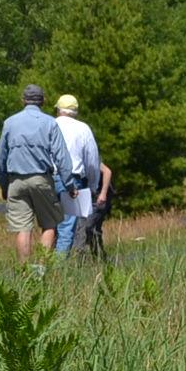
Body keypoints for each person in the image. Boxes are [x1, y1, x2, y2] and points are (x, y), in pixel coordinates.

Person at [0, 84, 71, 262]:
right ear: (43, 101)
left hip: (16, 181)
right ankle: (41, 270)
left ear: (23, 100)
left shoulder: (10, 122)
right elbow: (62, 157)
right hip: (41, 179)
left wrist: (4, 185)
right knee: (49, 224)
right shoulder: (50, 123)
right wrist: (69, 184)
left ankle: (25, 271)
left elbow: (1, 158)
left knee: (23, 227)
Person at [52, 94, 106, 256]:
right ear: (75, 111)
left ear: (58, 109)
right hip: (73, 180)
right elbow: (92, 161)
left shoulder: (50, 124)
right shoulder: (83, 128)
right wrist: (93, 185)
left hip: (47, 178)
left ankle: (44, 264)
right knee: (67, 227)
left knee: (49, 227)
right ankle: (58, 267)